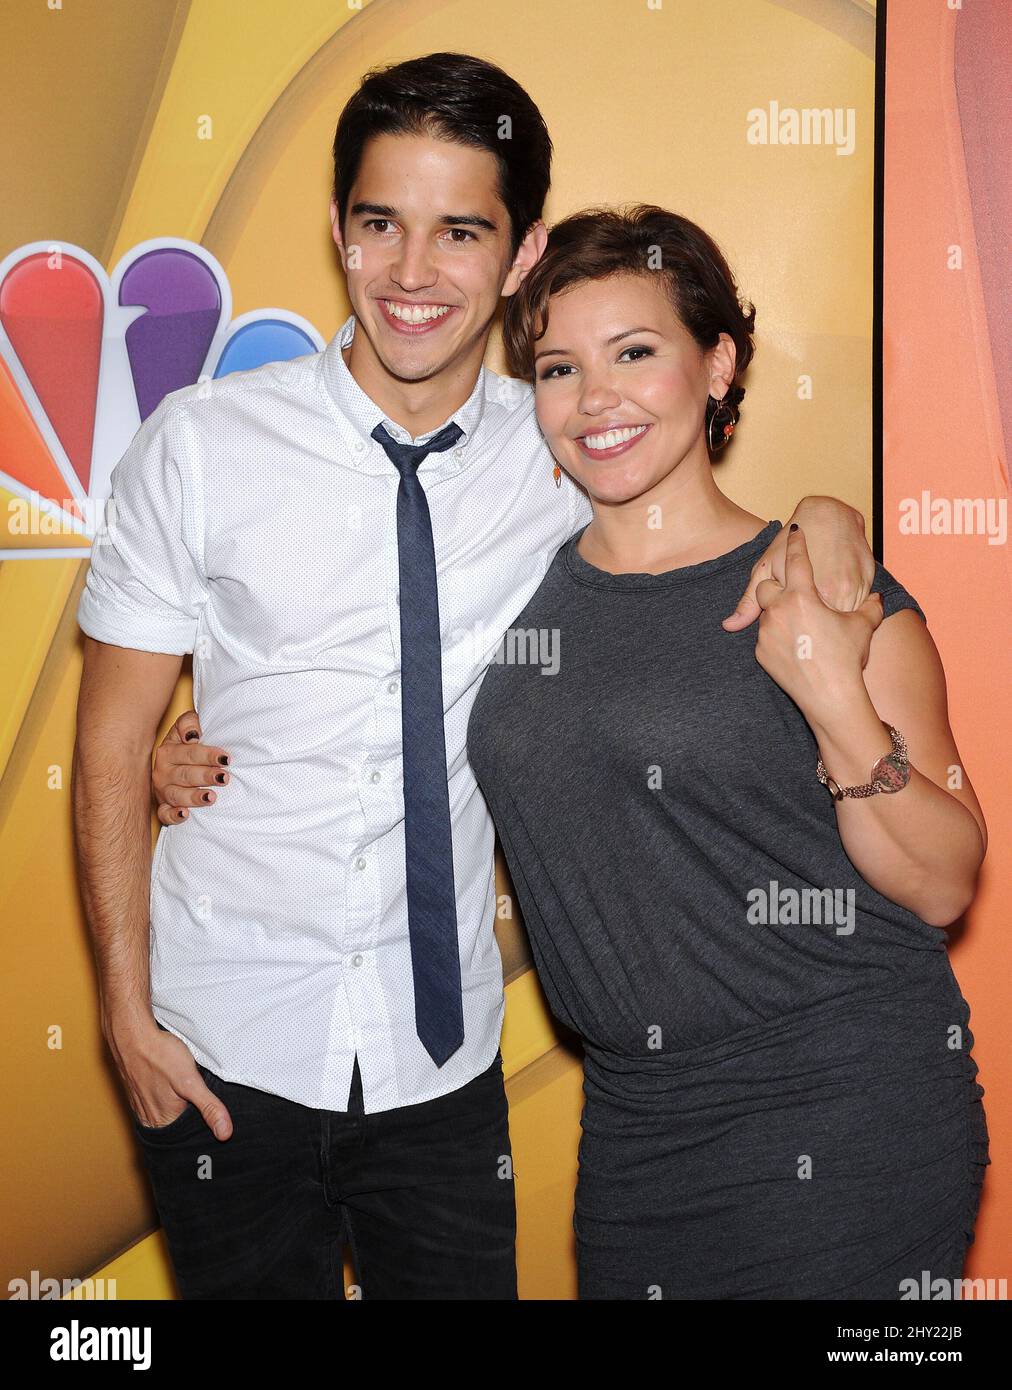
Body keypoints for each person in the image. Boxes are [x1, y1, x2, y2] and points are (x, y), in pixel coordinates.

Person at [74, 54, 876, 1301]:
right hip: (217, 1045)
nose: (410, 273)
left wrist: (824, 515)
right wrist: (125, 1017)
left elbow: (692, 516)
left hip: (438, 1069)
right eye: (381, 223)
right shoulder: (199, 449)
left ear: (518, 254)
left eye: (459, 232)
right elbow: (114, 742)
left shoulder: (562, 445)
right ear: (337, 229)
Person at [462, 205, 991, 1299]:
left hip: (842, 1101)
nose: (595, 398)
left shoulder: (824, 584)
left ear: (718, 363)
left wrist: (834, 694)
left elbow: (943, 877)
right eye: (560, 367)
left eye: (636, 353)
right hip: (637, 1126)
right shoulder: (517, 580)